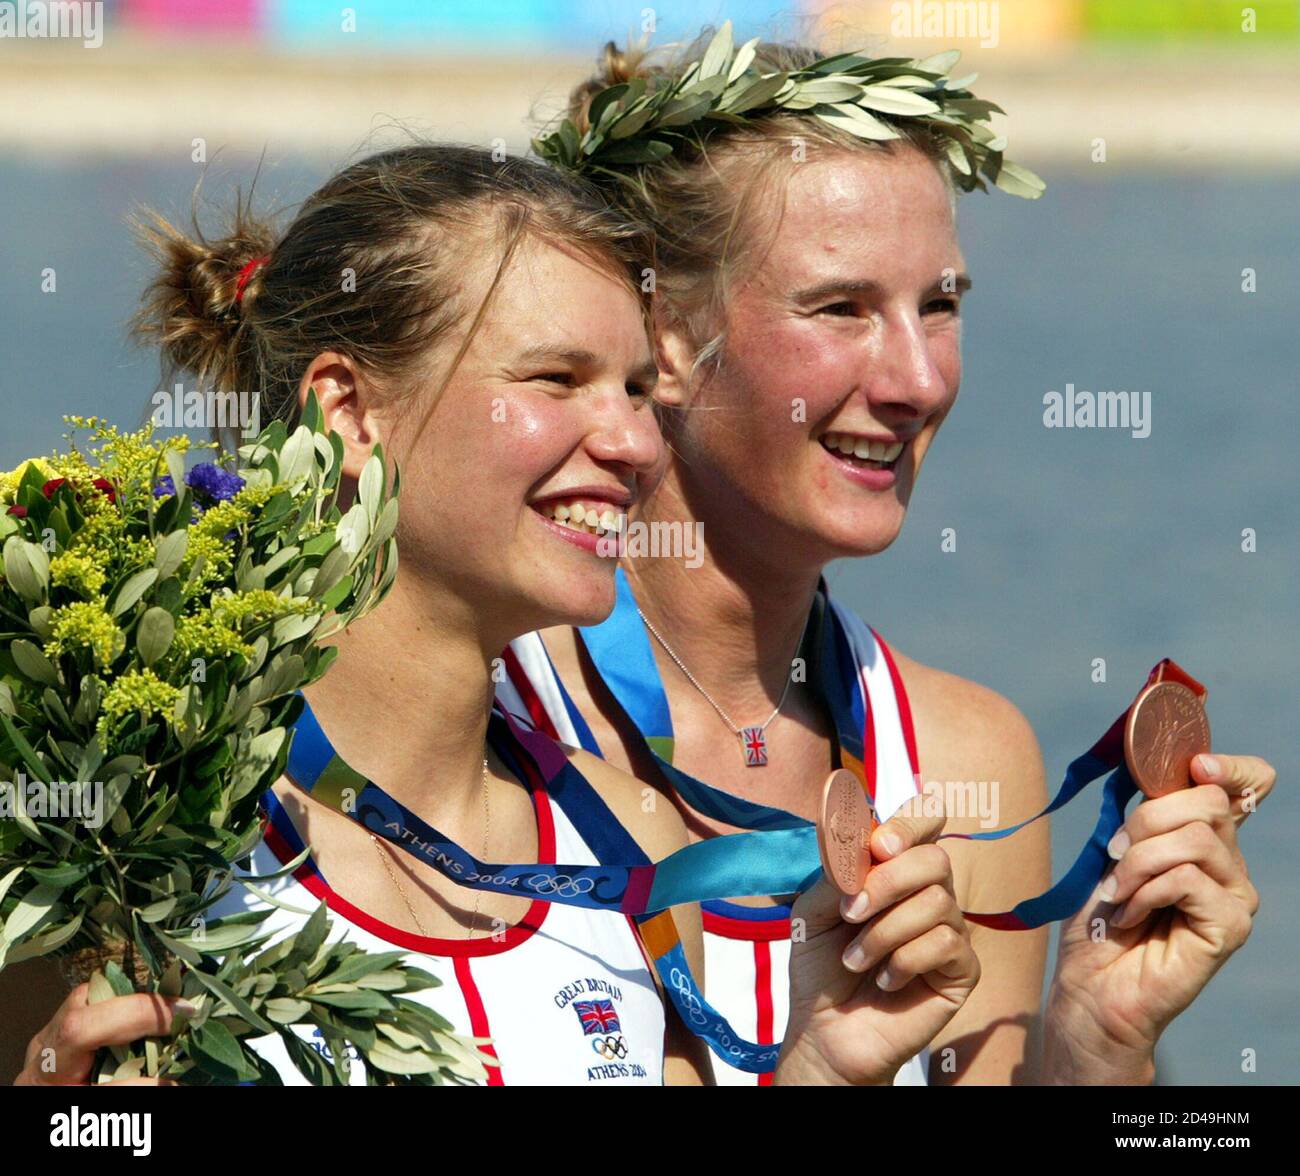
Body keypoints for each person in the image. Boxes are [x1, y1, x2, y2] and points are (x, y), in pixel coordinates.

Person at [12, 143, 979, 1087]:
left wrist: (820, 1069)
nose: (635, 443)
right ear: (347, 413)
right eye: (558, 379)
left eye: (638, 389)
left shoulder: (636, 846)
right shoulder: (118, 837)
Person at [504, 34, 1271, 1085]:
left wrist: (1099, 1049)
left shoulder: (965, 760)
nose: (917, 380)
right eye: (840, 308)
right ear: (663, 337)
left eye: (940, 305)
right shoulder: (473, 719)